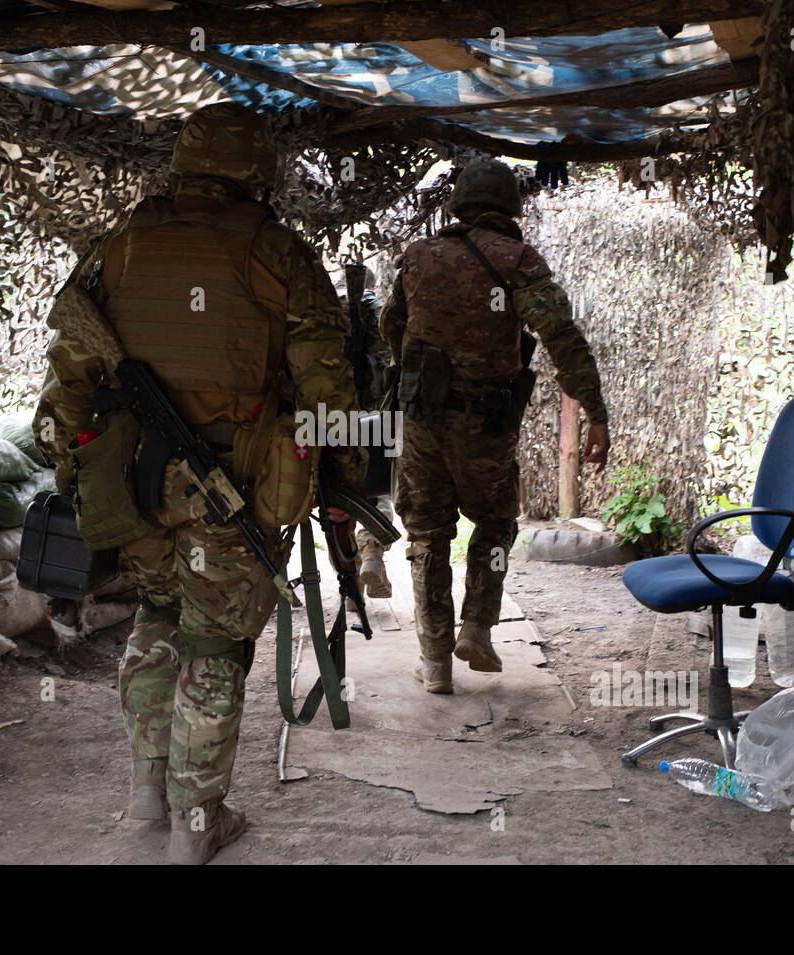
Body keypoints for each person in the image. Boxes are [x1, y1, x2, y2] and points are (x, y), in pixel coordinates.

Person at [34, 103, 365, 863]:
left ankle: (146, 796)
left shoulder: (118, 245)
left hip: (132, 483)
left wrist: (71, 472)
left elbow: (67, 374)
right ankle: (195, 825)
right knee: (213, 645)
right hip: (236, 488)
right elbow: (328, 394)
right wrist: (341, 490)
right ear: (259, 171)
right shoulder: (278, 253)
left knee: (153, 621)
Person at [381, 158, 611, 695]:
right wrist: (596, 411)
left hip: (421, 421)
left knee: (428, 538)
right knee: (496, 523)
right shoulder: (518, 260)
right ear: (511, 207)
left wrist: (415, 371)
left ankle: (434, 661)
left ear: (457, 204)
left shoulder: (419, 257)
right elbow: (560, 336)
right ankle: (478, 628)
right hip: (485, 423)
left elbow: (390, 326)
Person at [336, 264, 396, 598]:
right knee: (376, 488)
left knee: (335, 498)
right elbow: (393, 360)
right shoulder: (381, 311)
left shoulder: (326, 307)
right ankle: (372, 549)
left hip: (328, 415)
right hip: (376, 415)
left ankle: (350, 591)